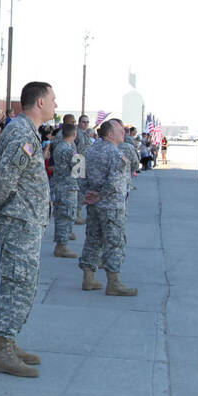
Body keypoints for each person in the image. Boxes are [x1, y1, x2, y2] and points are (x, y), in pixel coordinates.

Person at [0, 81, 56, 378]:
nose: (55, 104)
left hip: (27, 220)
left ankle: (10, 342)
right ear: (39, 102)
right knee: (18, 281)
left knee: (24, 282)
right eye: (52, 99)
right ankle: (3, 351)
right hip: (19, 221)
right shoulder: (21, 132)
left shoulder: (26, 132)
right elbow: (7, 177)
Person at [79, 119, 136, 296]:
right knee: (114, 242)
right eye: (120, 130)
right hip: (111, 206)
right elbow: (114, 183)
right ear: (110, 134)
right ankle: (114, 283)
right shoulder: (116, 154)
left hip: (94, 205)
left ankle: (88, 278)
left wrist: (87, 193)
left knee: (93, 239)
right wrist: (100, 195)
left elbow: (78, 173)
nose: (123, 133)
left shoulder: (89, 151)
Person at [51, 120, 79, 258]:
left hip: (60, 185)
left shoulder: (59, 146)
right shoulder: (68, 150)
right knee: (67, 215)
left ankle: (61, 243)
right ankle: (61, 246)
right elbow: (79, 170)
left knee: (61, 215)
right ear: (74, 134)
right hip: (68, 187)